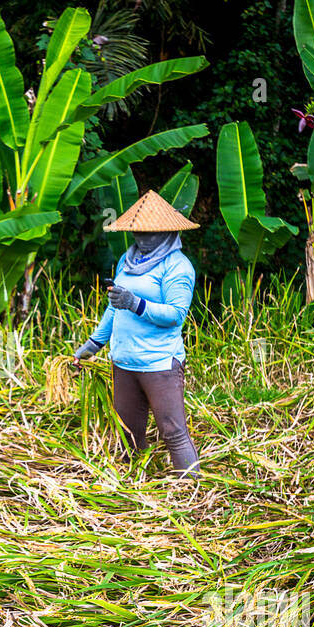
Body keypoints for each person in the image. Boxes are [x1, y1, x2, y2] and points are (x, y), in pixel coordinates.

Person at [71, 190, 201, 478]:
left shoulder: (178, 267)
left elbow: (176, 315)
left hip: (158, 364)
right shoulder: (126, 261)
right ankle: (134, 487)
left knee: (173, 431)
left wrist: (136, 303)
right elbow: (114, 309)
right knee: (127, 431)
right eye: (137, 232)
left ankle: (194, 493)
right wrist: (92, 345)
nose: (142, 239)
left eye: (150, 233)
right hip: (124, 362)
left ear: (167, 232)